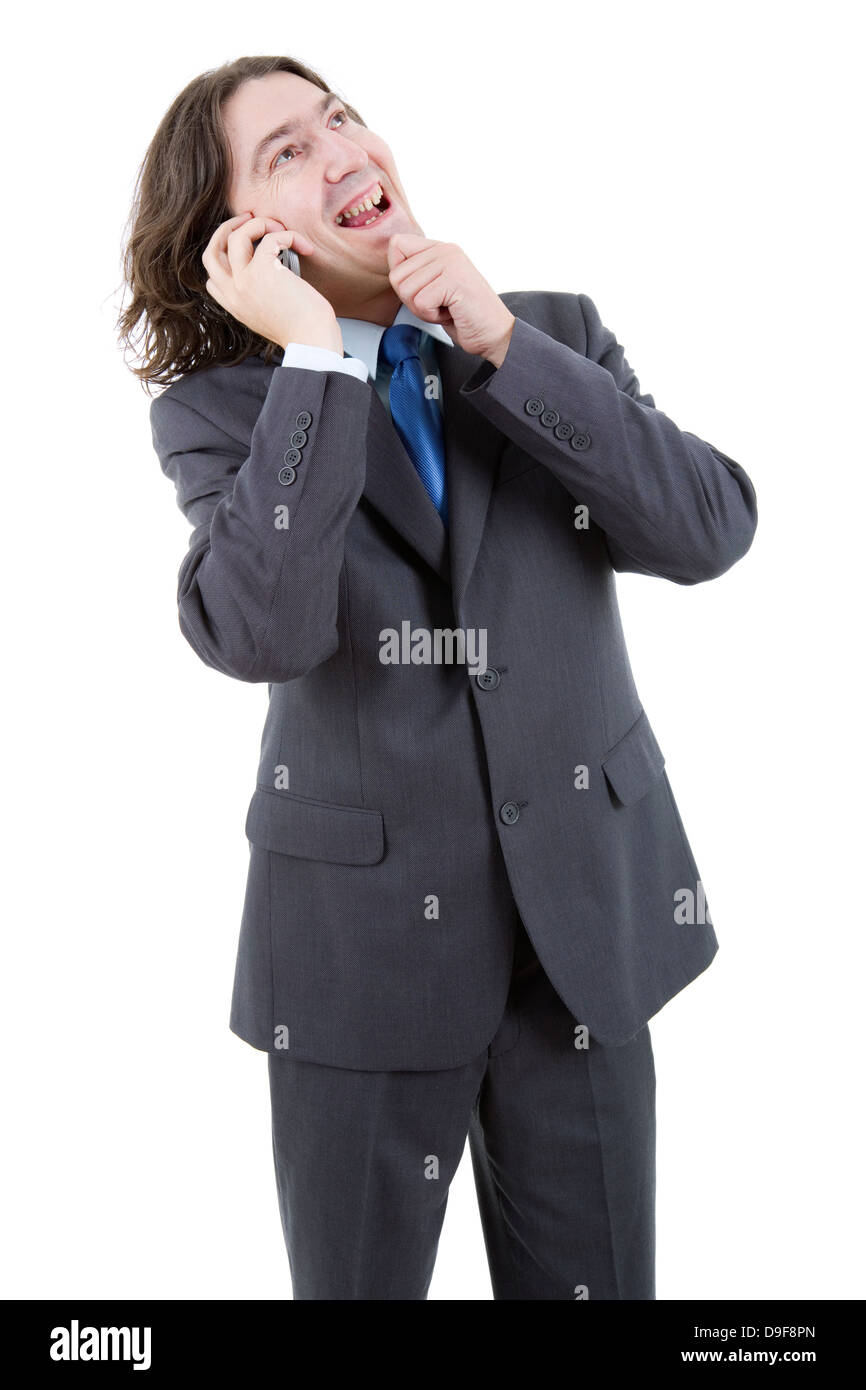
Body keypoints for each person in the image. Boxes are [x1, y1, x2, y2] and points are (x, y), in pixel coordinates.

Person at [118, 53, 758, 1300]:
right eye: (286, 151)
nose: (341, 147)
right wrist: (314, 362)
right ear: (238, 237)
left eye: (341, 117)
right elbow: (260, 631)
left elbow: (707, 528)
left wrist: (505, 346)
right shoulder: (225, 412)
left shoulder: (549, 332)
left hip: (580, 938)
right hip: (359, 964)